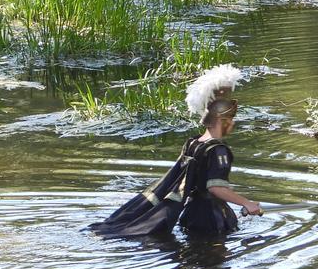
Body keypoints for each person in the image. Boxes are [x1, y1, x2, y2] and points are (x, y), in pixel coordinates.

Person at [90, 65, 262, 238]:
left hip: (189, 214)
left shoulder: (194, 142)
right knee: (216, 261)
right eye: (231, 120)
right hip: (211, 218)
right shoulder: (218, 150)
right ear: (223, 120)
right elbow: (215, 188)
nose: (232, 125)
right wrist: (247, 203)